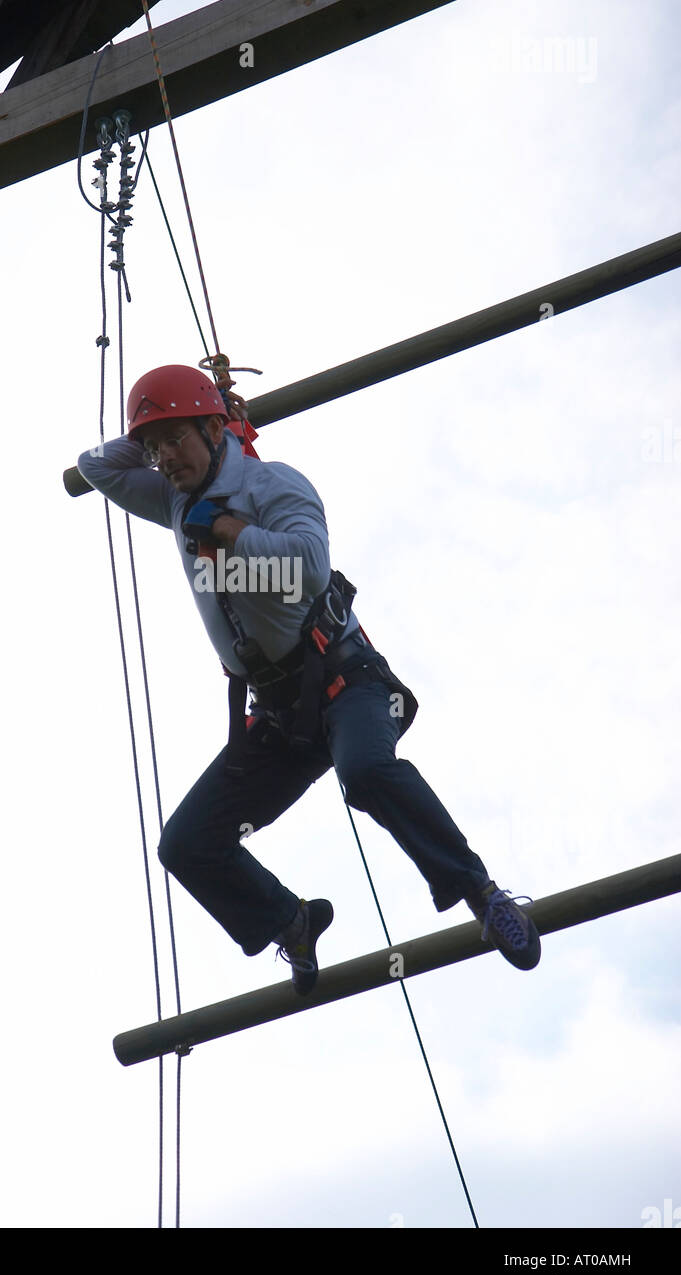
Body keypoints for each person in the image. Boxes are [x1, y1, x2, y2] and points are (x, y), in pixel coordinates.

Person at [77, 364, 540, 994]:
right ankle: (289, 922)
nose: (165, 461)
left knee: (367, 772)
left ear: (214, 431)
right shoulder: (175, 497)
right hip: (281, 716)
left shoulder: (272, 485)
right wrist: (169, 423)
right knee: (187, 846)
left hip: (347, 680)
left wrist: (227, 528)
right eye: (155, 451)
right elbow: (98, 466)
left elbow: (309, 567)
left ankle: (481, 894)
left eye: (176, 442)